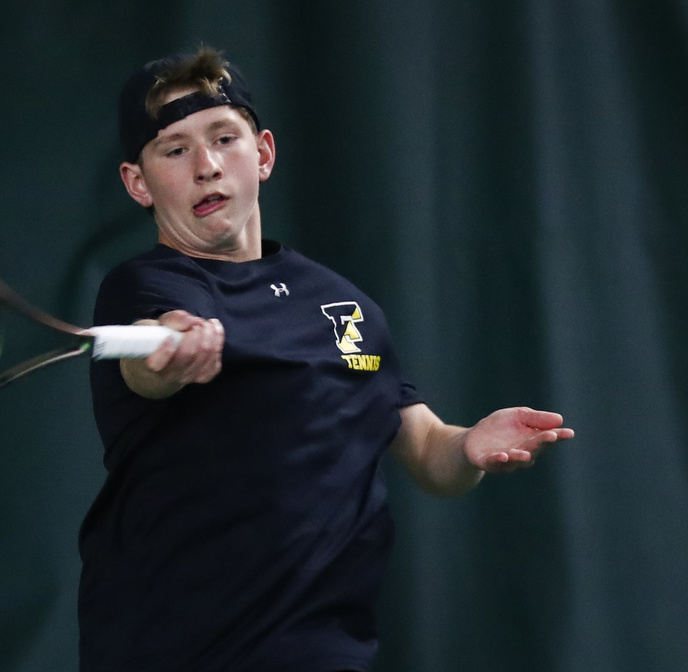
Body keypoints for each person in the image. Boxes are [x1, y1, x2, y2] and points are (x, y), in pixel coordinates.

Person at [78, 46, 574, 672]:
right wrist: (169, 349)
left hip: (321, 652)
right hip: (170, 650)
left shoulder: (344, 304)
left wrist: (469, 444)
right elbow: (146, 357)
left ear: (262, 155)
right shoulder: (145, 285)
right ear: (138, 183)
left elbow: (423, 450)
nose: (206, 166)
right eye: (175, 149)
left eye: (224, 138)